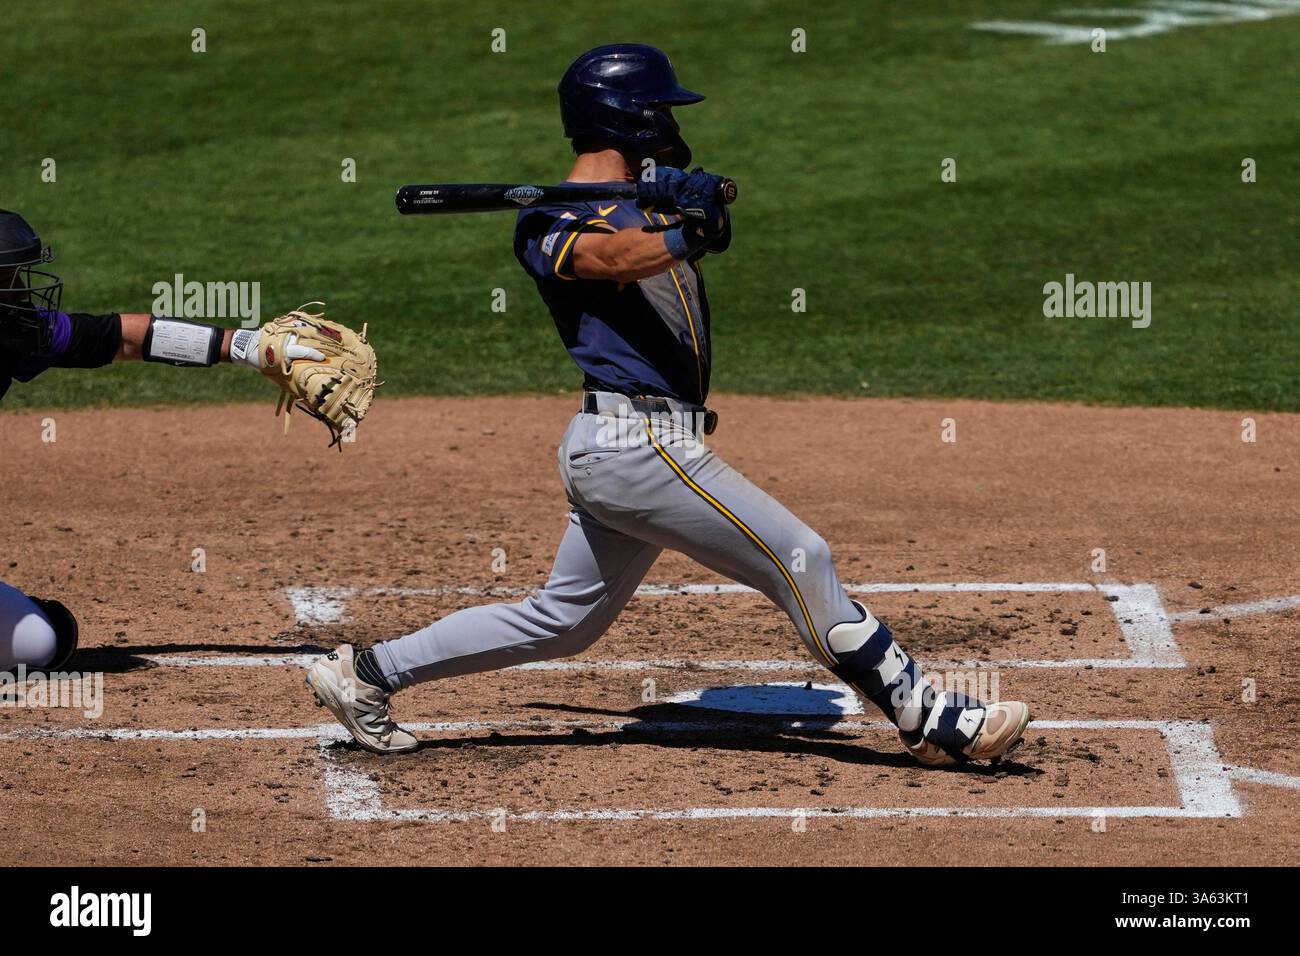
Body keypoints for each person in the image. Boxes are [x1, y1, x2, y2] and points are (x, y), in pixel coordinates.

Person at [306, 44, 1030, 767]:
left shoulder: (636, 208)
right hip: (634, 445)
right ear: (633, 117)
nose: (675, 127)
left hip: (633, 448)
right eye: (665, 113)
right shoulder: (549, 224)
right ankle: (930, 719)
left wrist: (683, 208)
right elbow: (612, 260)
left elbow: (661, 240)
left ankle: (364, 676)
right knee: (803, 556)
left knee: (564, 622)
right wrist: (685, 228)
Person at [0, 208, 374, 671]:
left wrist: (247, 348)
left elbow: (124, 340)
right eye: (9, 277)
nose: (20, 290)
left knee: (39, 645)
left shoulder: (13, 331)